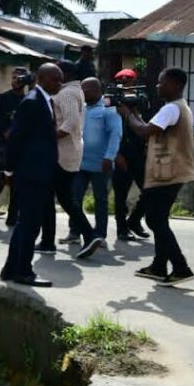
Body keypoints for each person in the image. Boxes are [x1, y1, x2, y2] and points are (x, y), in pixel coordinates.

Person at [118, 67, 194, 286]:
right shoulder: (179, 107)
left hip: (167, 172)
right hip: (171, 171)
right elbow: (149, 128)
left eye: (163, 82)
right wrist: (135, 115)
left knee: (154, 219)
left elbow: (144, 132)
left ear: (176, 85)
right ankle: (159, 266)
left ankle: (180, 267)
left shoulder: (171, 109)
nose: (158, 86)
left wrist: (128, 115)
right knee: (158, 218)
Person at [0, 63, 64, 288]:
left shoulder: (44, 101)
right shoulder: (32, 102)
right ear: (44, 79)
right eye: (56, 80)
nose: (60, 83)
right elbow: (15, 138)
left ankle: (11, 268)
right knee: (30, 224)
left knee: (25, 222)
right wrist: (9, 170)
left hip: (40, 172)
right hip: (31, 174)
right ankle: (24, 271)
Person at [41, 60, 98, 255]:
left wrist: (49, 138)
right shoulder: (77, 91)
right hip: (70, 151)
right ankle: (89, 235)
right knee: (64, 198)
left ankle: (49, 241)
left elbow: (70, 122)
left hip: (61, 153)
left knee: (51, 197)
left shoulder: (66, 93)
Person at [72, 78, 122, 259]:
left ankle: (100, 235)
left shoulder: (108, 109)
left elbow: (116, 134)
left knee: (100, 200)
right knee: (74, 198)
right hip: (80, 163)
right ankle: (74, 232)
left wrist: (110, 156)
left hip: (101, 164)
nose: (83, 92)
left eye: (87, 89)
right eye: (82, 89)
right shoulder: (83, 108)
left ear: (97, 90)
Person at [0, 68, 30, 226]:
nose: (16, 80)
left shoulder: (28, 99)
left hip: (21, 147)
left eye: (19, 78)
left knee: (17, 184)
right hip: (5, 146)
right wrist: (3, 131)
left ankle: (12, 216)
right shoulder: (2, 98)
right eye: (14, 77)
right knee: (0, 180)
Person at [111, 68, 150, 241]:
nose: (125, 84)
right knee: (120, 194)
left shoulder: (140, 99)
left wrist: (132, 111)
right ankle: (121, 228)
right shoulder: (114, 101)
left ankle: (134, 220)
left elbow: (145, 123)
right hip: (121, 152)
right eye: (122, 81)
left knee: (149, 191)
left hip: (139, 152)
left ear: (134, 81)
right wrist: (116, 154)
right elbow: (110, 130)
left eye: (128, 81)